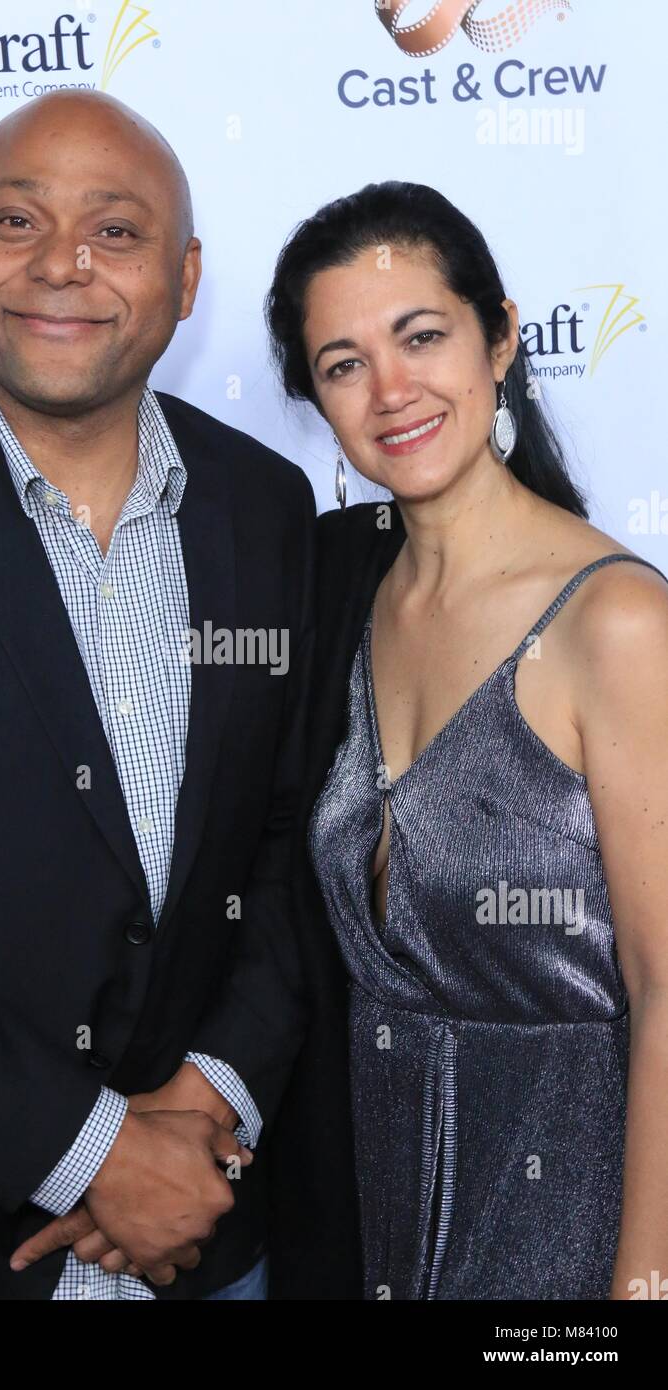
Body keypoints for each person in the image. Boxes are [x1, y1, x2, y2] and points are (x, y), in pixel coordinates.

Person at [0, 91, 315, 1301]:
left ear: (186, 281)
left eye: (117, 232)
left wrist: (205, 1098)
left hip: (204, 1240)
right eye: (15, 220)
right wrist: (95, 1151)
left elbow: (295, 838)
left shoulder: (263, 505)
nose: (60, 266)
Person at [265, 181, 668, 1300]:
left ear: (499, 338)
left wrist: (639, 1287)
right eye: (343, 363)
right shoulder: (345, 600)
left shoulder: (614, 621)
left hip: (571, 1233)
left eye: (421, 336)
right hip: (380, 1227)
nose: (390, 390)